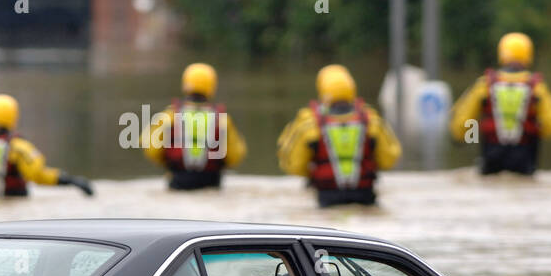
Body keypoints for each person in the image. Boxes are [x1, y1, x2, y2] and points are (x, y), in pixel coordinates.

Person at [277, 64, 401, 207]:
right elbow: (389, 159)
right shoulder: (372, 121)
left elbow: (292, 164)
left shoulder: (308, 124)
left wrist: (311, 173)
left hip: (326, 197)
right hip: (365, 193)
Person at [449, 32, 551, 176]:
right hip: (525, 161)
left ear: (501, 54)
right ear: (528, 55)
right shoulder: (537, 87)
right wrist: (539, 128)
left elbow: (464, 119)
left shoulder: (484, 84)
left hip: (491, 158)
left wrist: (462, 138)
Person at [0, 94, 94, 197]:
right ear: (14, 115)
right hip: (15, 202)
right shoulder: (19, 148)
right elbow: (39, 175)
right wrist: (73, 181)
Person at [142, 62, 247, 190]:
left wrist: (166, 162)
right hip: (212, 182)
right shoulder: (223, 119)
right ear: (212, 86)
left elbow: (151, 149)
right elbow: (235, 155)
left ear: (185, 84)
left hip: (178, 181)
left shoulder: (169, 115)